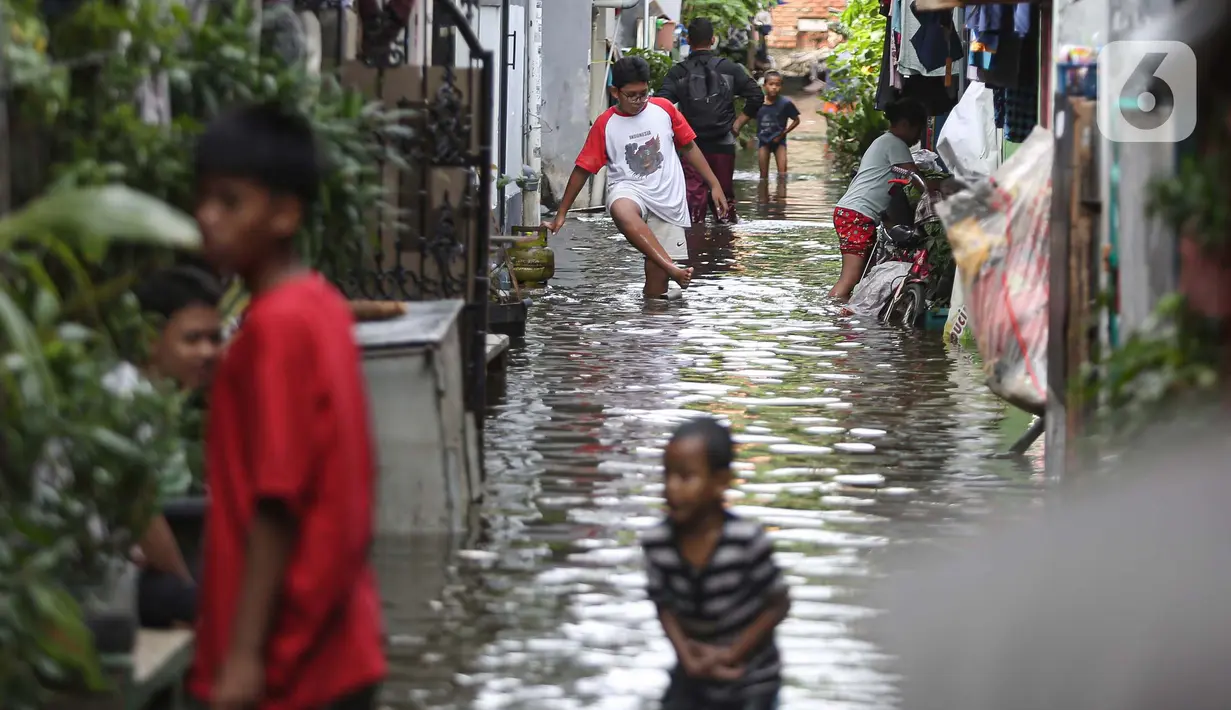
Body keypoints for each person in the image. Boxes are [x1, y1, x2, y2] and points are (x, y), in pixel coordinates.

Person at [189, 102, 386, 710]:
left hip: (286, 663)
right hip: (339, 638)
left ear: (284, 213)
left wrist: (244, 659)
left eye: (229, 202)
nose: (205, 217)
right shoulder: (319, 304)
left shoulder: (274, 329)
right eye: (203, 199)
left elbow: (277, 501)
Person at [543, 56, 729, 299]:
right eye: (632, 95)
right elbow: (583, 169)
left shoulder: (664, 109)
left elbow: (689, 147)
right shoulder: (605, 124)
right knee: (621, 208)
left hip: (667, 199)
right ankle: (672, 269)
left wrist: (714, 183)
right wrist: (561, 213)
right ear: (615, 92)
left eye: (644, 93)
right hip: (629, 189)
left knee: (656, 278)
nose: (639, 101)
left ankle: (652, 326)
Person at [642, 417, 791, 710]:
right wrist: (688, 659)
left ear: (720, 482)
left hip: (751, 676)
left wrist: (730, 655)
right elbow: (664, 606)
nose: (672, 487)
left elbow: (778, 604)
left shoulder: (746, 541)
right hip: (693, 671)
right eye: (667, 475)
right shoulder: (658, 544)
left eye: (685, 477)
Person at [126, 265, 226, 630]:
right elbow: (143, 517)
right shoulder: (129, 399)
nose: (207, 351)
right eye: (192, 339)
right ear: (151, 337)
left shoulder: (162, 398)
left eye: (215, 338)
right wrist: (188, 594)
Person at [659, 17, 765, 224]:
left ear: (688, 40)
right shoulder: (731, 69)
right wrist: (736, 125)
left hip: (690, 145)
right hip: (723, 143)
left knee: (693, 200)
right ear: (713, 40)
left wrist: (674, 133)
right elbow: (756, 96)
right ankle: (724, 248)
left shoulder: (678, 73)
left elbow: (662, 105)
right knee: (723, 200)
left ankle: (692, 245)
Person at [831, 98, 929, 302]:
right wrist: (941, 189)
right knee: (850, 279)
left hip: (853, 214)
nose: (918, 137)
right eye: (918, 130)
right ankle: (835, 319)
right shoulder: (895, 144)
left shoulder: (883, 141)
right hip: (856, 215)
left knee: (861, 275)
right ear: (904, 124)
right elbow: (918, 179)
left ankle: (847, 316)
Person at [754, 71, 801, 180]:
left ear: (781, 86)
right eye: (771, 84)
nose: (774, 87)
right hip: (763, 141)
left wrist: (783, 133)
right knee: (763, 176)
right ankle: (763, 196)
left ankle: (781, 196)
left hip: (779, 141)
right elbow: (750, 117)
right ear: (764, 86)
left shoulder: (785, 103)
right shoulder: (757, 103)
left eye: (777, 85)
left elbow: (796, 120)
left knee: (782, 175)